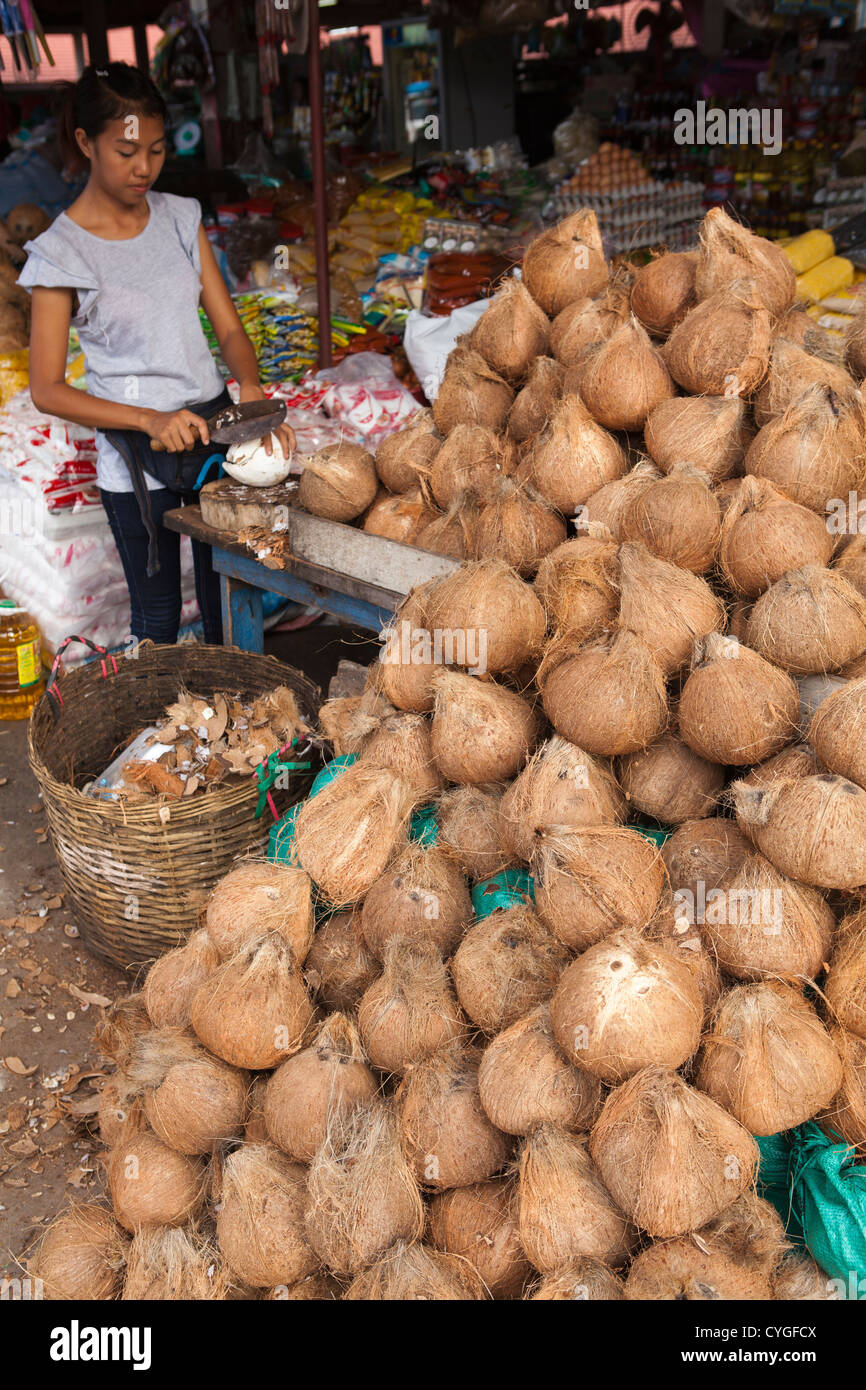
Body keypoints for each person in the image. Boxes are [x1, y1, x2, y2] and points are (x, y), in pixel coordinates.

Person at [21, 62, 294, 645]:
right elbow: (46, 389)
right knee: (158, 620)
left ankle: (238, 730)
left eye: (155, 149)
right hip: (136, 458)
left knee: (228, 601)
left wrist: (253, 395)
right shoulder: (60, 253)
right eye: (125, 152)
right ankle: (164, 736)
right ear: (84, 143)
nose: (143, 167)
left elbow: (227, 328)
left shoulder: (179, 217)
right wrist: (150, 419)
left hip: (214, 436)